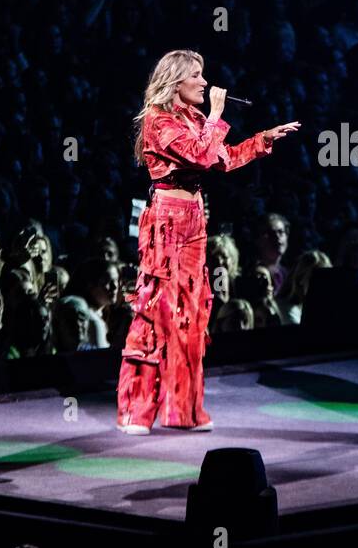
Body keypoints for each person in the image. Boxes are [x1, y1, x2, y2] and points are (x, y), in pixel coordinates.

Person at [118, 49, 299, 434]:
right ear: (176, 81)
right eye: (196, 75)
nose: (204, 82)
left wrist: (261, 140)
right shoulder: (159, 120)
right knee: (155, 309)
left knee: (190, 313)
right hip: (166, 221)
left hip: (195, 221)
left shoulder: (193, 118)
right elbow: (198, 155)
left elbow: (222, 159)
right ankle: (136, 410)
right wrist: (216, 116)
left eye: (203, 74)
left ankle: (183, 410)